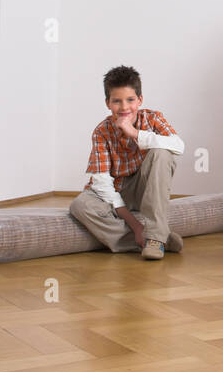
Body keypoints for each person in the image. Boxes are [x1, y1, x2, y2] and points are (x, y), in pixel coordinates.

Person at [69, 65, 186, 261]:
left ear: (140, 100)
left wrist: (134, 134)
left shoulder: (153, 118)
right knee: (79, 205)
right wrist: (136, 226)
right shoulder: (101, 132)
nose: (124, 108)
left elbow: (178, 145)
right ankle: (147, 239)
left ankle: (156, 237)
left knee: (162, 153)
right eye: (117, 101)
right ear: (107, 103)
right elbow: (103, 184)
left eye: (130, 100)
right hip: (116, 192)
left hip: (145, 189)